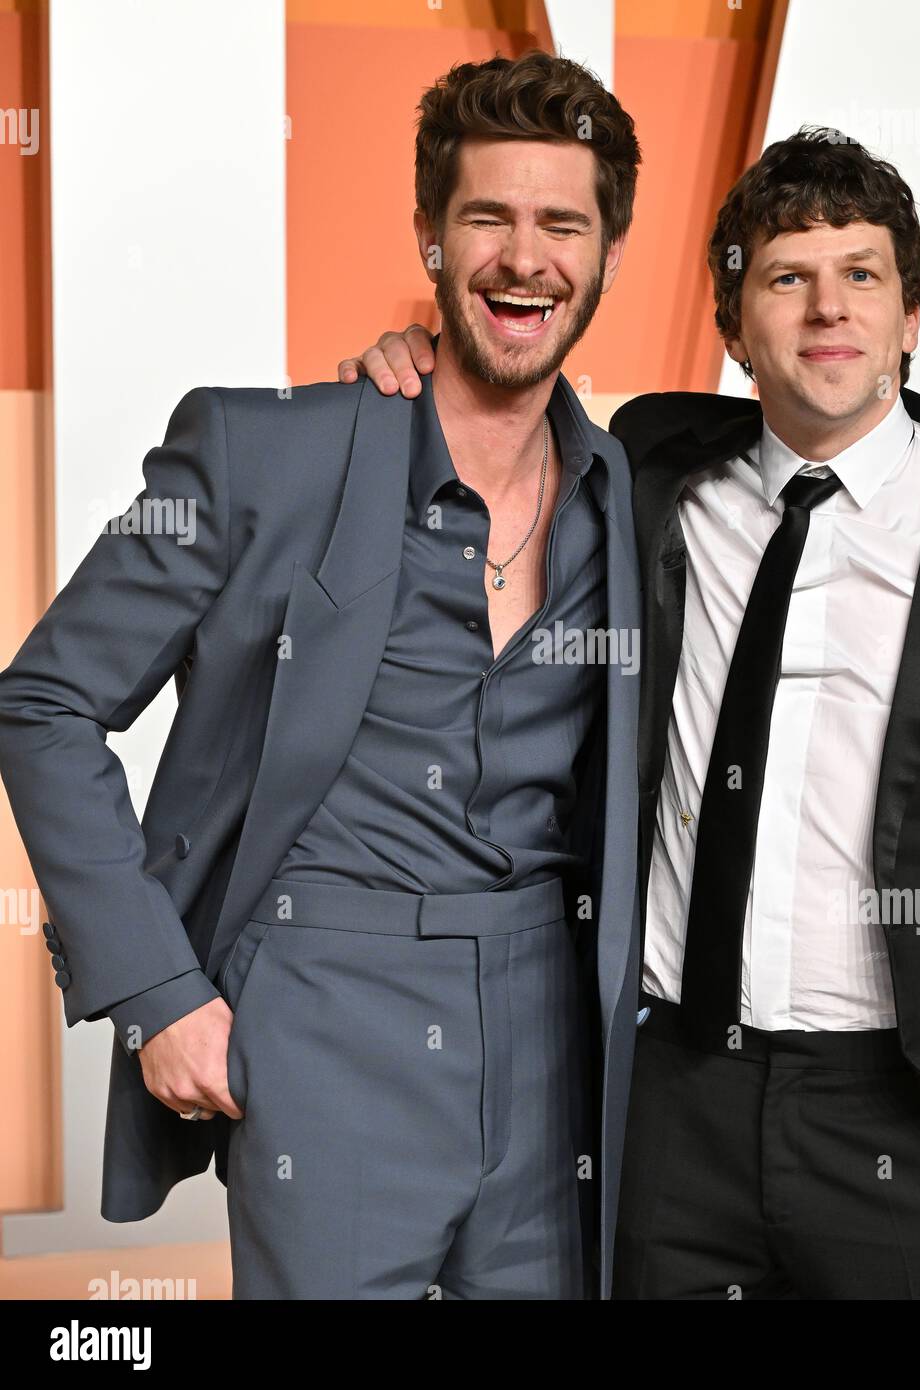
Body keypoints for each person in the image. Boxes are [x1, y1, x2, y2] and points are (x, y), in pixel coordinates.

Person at [338, 127, 920, 1299]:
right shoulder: (645, 465)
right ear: (732, 324)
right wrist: (417, 357)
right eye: (785, 278)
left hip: (912, 1112)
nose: (827, 310)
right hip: (670, 1102)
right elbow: (493, 411)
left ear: (910, 316)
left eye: (862, 275)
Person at [0, 51, 646, 1299]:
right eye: (487, 218)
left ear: (608, 252)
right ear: (429, 237)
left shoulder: (631, 488)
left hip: (555, 1037)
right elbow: (43, 698)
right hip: (322, 1013)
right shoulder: (261, 451)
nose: (526, 257)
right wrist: (156, 987)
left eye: (562, 223)